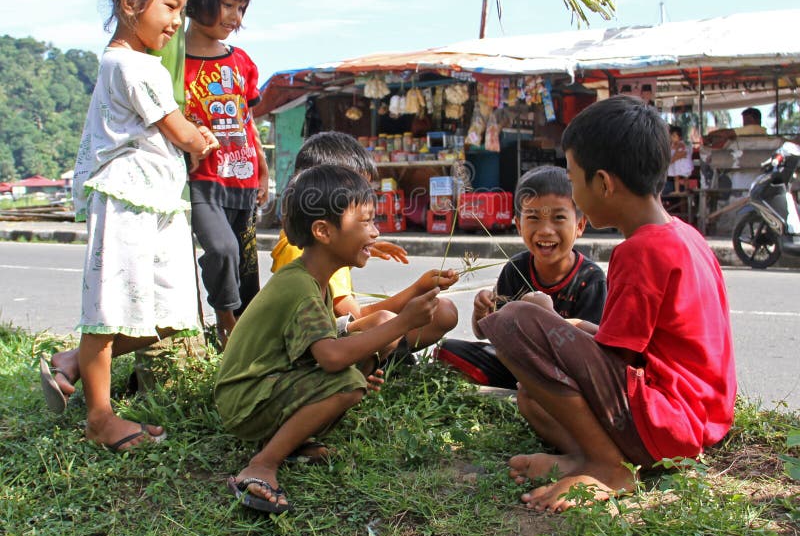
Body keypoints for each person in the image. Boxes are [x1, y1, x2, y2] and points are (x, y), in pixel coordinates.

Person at [480, 95, 736, 513]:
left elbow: (617, 363)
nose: (575, 191)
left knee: (514, 321)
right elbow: (636, 348)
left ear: (603, 183)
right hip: (704, 418)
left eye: (575, 180)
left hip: (669, 422)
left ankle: (608, 466)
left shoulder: (639, 251)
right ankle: (584, 457)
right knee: (530, 395)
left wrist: (542, 320)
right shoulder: (686, 235)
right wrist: (575, 329)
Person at [38, 0, 219, 450]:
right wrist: (201, 139)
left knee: (166, 315)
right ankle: (100, 418)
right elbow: (180, 132)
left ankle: (73, 361)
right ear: (130, 2)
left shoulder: (132, 66)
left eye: (181, 9)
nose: (177, 23)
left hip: (151, 204)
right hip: (126, 203)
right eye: (171, 7)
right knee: (111, 307)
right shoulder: (132, 67)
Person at [216, 165, 443, 514]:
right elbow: (332, 359)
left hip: (261, 388)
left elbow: (335, 343)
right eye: (365, 222)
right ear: (323, 231)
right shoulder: (301, 287)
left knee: (362, 358)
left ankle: (290, 442)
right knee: (347, 381)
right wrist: (404, 323)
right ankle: (262, 463)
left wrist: (364, 246)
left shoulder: (312, 277)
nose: (375, 231)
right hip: (245, 398)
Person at [271, 131, 459, 355]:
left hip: (321, 340)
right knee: (385, 321)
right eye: (362, 215)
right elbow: (354, 320)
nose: (376, 232)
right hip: (316, 349)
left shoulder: (311, 243)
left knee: (442, 310)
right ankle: (382, 364)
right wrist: (416, 293)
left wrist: (359, 243)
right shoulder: (312, 254)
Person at [434, 165, 606, 389]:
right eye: (533, 218)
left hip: (565, 370)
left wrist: (546, 316)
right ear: (518, 224)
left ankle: (541, 390)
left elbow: (591, 351)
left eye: (559, 218)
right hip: (517, 364)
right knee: (448, 349)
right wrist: (481, 315)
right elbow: (490, 335)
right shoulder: (516, 268)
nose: (545, 230)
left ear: (580, 226)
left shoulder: (590, 279)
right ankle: (528, 386)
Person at [183, 0, 270, 348]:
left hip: (244, 177)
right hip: (203, 180)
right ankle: (225, 320)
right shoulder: (172, 62)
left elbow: (246, 122)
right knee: (220, 250)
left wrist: (264, 167)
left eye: (242, 8)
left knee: (247, 265)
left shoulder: (243, 62)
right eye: (228, 5)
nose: (236, 17)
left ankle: (245, 341)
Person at [666, 124, 694, 192]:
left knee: (685, 178)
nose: (672, 138)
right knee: (676, 177)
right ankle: (677, 190)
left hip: (682, 164)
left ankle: (686, 190)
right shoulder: (672, 145)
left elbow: (680, 152)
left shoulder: (681, 144)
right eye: (671, 136)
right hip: (676, 165)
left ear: (680, 137)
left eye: (674, 136)